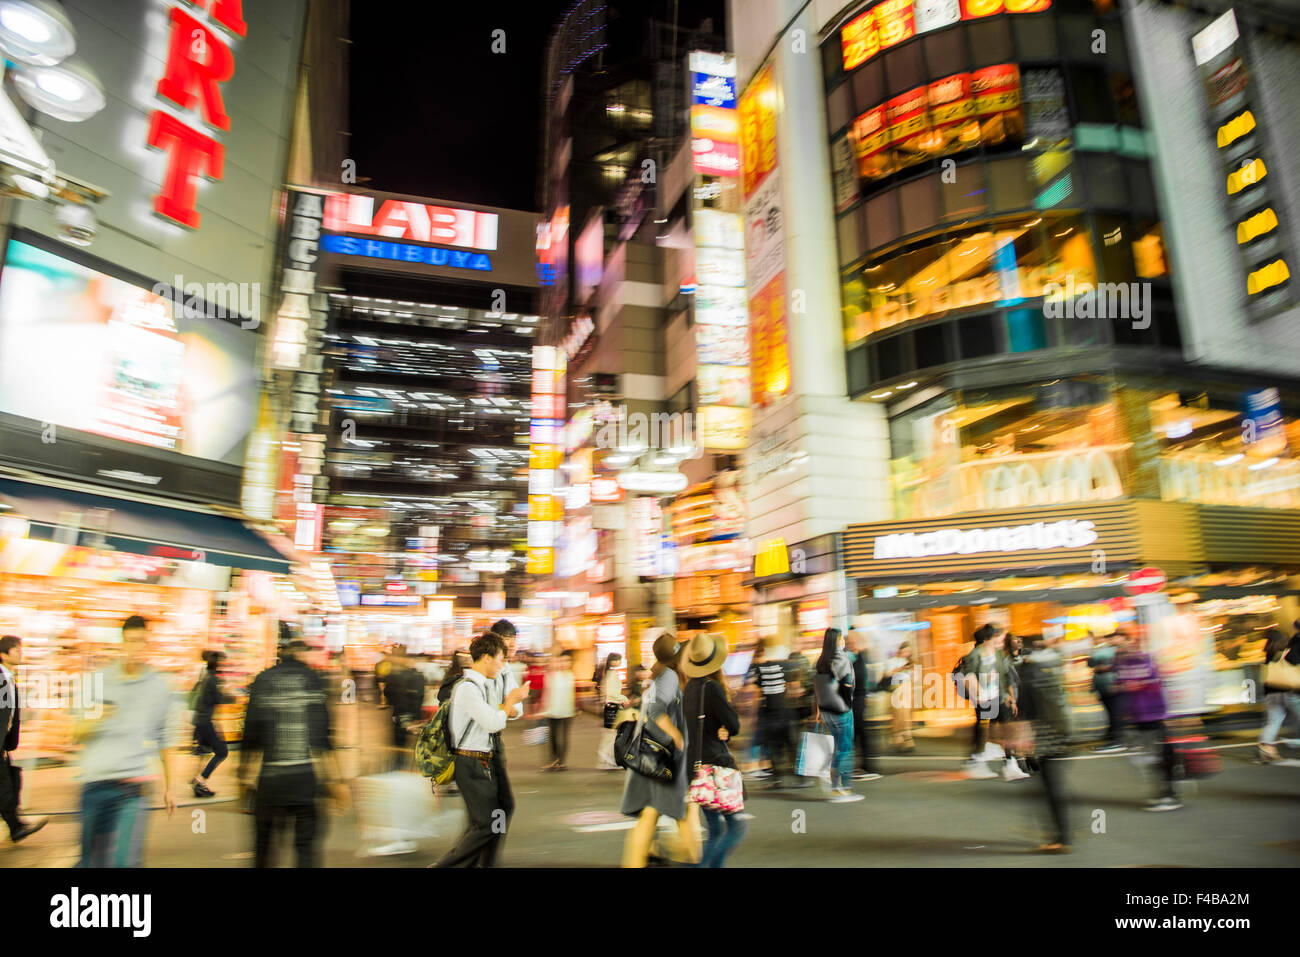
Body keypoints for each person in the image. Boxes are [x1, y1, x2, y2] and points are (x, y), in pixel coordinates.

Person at [239, 624, 348, 867]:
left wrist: (243, 777)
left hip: (270, 781)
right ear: (301, 652)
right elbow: (323, 738)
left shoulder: (262, 680)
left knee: (264, 851)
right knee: (306, 850)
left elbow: (250, 736)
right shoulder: (313, 680)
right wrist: (336, 781)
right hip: (305, 782)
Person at [74, 615, 176, 867]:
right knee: (91, 862)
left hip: (134, 788)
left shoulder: (159, 686)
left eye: (141, 641)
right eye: (131, 641)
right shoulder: (98, 680)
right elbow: (76, 731)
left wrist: (170, 787)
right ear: (122, 643)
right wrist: (99, 716)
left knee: (124, 862)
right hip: (95, 784)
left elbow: (166, 739)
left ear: (147, 643)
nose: (136, 648)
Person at [432, 632, 529, 867]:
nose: (503, 665)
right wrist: (510, 702)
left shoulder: (480, 685)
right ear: (486, 657)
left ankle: (479, 863)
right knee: (486, 823)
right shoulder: (468, 688)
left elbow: (501, 717)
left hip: (483, 761)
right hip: (470, 763)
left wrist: (508, 705)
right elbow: (494, 722)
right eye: (500, 658)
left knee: (493, 818)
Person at [621, 629, 700, 867]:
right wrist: (677, 735)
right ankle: (697, 860)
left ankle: (639, 861)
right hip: (662, 757)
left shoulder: (660, 675)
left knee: (651, 814)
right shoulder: (669, 676)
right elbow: (656, 710)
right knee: (682, 812)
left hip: (652, 756)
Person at [683, 634, 747, 868]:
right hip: (715, 769)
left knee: (715, 830)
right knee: (738, 826)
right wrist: (726, 730)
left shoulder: (689, 688)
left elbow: (704, 726)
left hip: (696, 769)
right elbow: (734, 724)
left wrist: (722, 730)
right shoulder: (712, 689)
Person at [1016, 633, 1074, 852]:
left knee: (1049, 787)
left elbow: (1025, 709)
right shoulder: (1055, 664)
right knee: (1055, 784)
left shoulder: (1027, 672)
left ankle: (1060, 838)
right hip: (1062, 729)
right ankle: (1062, 834)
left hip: (1042, 735)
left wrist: (1023, 737)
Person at [1115, 630, 1181, 811]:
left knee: (1157, 757)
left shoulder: (1146, 659)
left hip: (1153, 714)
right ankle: (1162, 793)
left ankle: (1168, 796)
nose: (1121, 647)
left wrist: (1137, 685)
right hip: (1139, 716)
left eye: (1123, 642)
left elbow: (1155, 682)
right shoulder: (1123, 662)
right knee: (1148, 758)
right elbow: (1123, 687)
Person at [0, 636, 46, 842]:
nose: (20, 652)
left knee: (11, 781)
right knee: (5, 787)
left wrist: (8, 742)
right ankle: (15, 828)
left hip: (3, 745)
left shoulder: (10, 679)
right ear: (3, 654)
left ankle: (16, 826)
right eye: (16, 649)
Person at [814, 628, 861, 803]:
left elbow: (819, 686)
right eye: (841, 638)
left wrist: (818, 710)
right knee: (846, 748)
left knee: (839, 747)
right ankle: (841, 787)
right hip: (841, 710)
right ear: (836, 640)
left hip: (826, 709)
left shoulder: (821, 660)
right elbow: (847, 683)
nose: (843, 641)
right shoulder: (840, 657)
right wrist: (848, 703)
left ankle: (837, 785)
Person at [960, 624, 1011, 779]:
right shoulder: (975, 655)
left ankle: (1009, 761)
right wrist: (979, 693)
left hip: (998, 696)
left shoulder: (998, 654)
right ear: (988, 638)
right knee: (982, 728)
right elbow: (968, 676)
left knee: (1003, 726)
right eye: (998, 638)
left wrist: (1007, 695)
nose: (1001, 641)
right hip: (982, 698)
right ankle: (976, 760)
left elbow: (1003, 675)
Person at [745, 642, 793, 783]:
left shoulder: (757, 668)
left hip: (768, 712)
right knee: (788, 743)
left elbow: (756, 693)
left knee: (771, 743)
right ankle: (798, 776)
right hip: (783, 710)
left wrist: (753, 713)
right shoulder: (782, 666)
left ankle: (776, 778)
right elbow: (790, 687)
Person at [190, 650, 233, 797]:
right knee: (222, 752)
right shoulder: (212, 679)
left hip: (201, 721)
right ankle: (200, 781)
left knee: (207, 751)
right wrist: (231, 695)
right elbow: (220, 699)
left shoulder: (206, 676)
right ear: (217, 663)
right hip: (204, 722)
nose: (225, 665)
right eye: (223, 662)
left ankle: (198, 779)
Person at [1259, 626, 1300, 763]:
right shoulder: (1289, 652)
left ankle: (1266, 748)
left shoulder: (1269, 654)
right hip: (1289, 691)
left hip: (1271, 692)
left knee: (1273, 721)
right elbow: (1293, 660)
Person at [847, 629, 882, 782]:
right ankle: (864, 766)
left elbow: (858, 680)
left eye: (850, 641)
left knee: (859, 732)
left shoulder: (859, 658)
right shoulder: (857, 657)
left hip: (858, 700)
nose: (848, 643)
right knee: (859, 733)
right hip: (857, 700)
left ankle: (868, 767)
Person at [994, 633, 1029, 781]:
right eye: (1015, 639)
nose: (1019, 641)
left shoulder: (1025, 656)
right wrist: (1011, 699)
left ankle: (1019, 759)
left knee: (1022, 728)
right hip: (1010, 698)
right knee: (1011, 730)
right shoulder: (1003, 658)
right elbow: (1006, 680)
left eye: (1020, 639)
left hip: (1023, 696)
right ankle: (1012, 761)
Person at [385, 646, 426, 772]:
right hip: (411, 714)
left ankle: (398, 769)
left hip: (399, 714)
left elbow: (388, 694)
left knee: (399, 744)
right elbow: (420, 696)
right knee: (410, 745)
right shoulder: (417, 675)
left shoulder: (394, 676)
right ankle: (407, 769)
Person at [1088, 633, 1125, 752]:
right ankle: (1113, 738)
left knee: (1114, 714)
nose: (1112, 640)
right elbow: (1090, 663)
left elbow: (1117, 666)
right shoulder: (1103, 650)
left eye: (1114, 637)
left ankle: (1116, 740)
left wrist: (1102, 668)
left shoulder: (1118, 650)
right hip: (1103, 687)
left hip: (1112, 686)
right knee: (1111, 713)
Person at [542, 650, 576, 771]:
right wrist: (544, 708)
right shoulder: (552, 675)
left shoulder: (571, 676)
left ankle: (561, 761)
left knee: (564, 737)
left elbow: (572, 695)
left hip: (567, 711)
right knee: (553, 737)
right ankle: (554, 759)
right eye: (562, 660)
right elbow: (547, 693)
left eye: (567, 661)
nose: (564, 663)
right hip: (553, 711)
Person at [882, 641, 915, 752]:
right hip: (896, 689)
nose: (906, 653)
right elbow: (887, 674)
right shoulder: (893, 661)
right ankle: (897, 738)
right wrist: (899, 669)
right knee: (898, 714)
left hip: (907, 688)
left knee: (906, 714)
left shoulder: (910, 662)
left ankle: (907, 738)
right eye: (905, 651)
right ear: (900, 650)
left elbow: (913, 678)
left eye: (908, 651)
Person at [597, 652, 627, 769]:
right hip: (613, 707)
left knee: (610, 734)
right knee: (612, 734)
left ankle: (606, 760)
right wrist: (624, 698)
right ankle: (606, 756)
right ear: (612, 661)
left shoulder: (609, 674)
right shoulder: (611, 675)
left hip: (610, 707)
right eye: (618, 659)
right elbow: (611, 693)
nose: (620, 661)